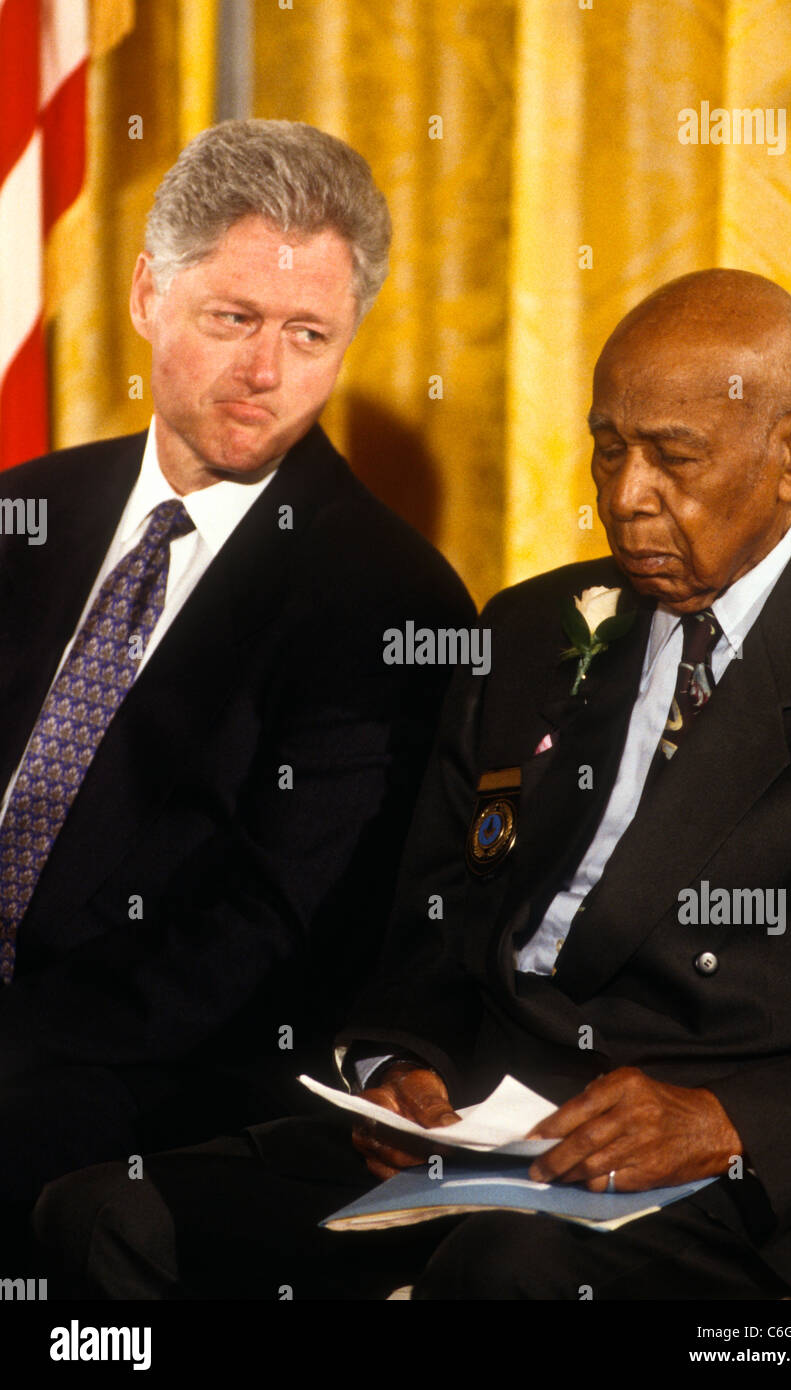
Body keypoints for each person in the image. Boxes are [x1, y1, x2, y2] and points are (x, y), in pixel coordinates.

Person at [33, 269, 791, 1301]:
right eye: (609, 446)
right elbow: (434, 917)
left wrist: (729, 1121)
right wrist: (400, 1062)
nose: (623, 495)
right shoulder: (530, 632)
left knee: (504, 1277)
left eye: (673, 456)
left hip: (725, 1177)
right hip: (486, 1141)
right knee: (107, 1216)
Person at [0, 118, 473, 1265]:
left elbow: (269, 937)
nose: (266, 371)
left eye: (310, 333)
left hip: (168, 1084)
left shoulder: (389, 600)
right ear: (147, 295)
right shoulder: (24, 513)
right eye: (235, 319)